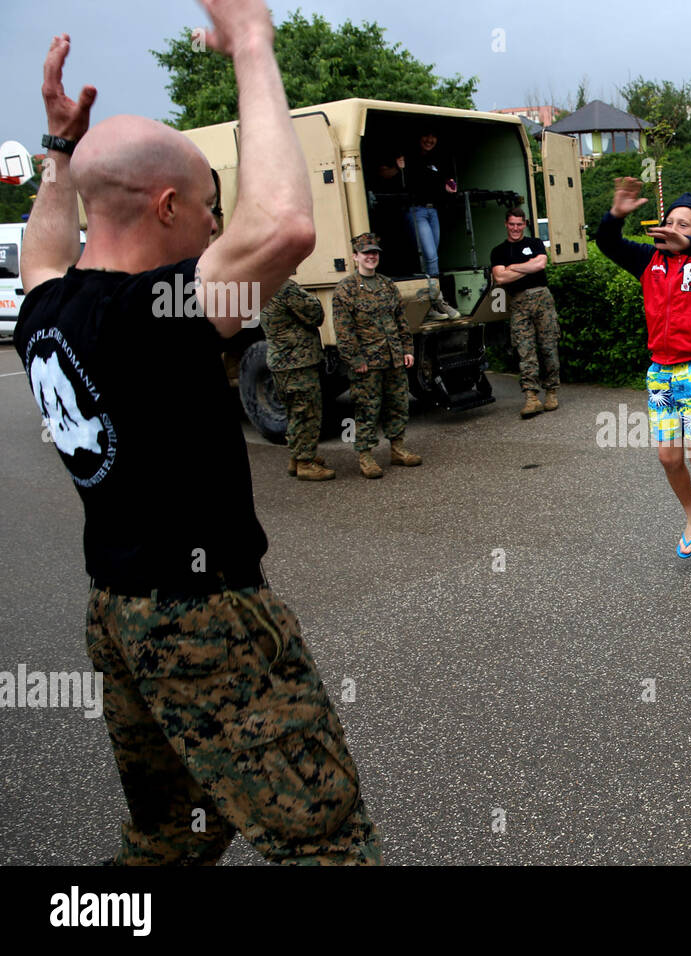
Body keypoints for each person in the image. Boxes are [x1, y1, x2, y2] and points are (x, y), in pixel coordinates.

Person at [15, 5, 380, 864]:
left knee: (169, 838)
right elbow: (286, 227)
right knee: (326, 842)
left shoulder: (45, 311)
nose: (219, 227)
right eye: (210, 208)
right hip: (203, 620)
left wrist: (59, 155)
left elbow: (43, 245)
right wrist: (252, 40)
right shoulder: (155, 313)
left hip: (116, 612)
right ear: (169, 204)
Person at [596, 179, 691, 569]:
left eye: (684, 224)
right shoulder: (648, 260)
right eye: (669, 222)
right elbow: (607, 243)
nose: (672, 228)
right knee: (668, 457)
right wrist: (616, 215)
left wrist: (690, 245)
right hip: (661, 373)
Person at [332, 232, 422, 478]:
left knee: (398, 404)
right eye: (366, 253)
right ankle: (365, 456)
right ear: (355, 257)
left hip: (393, 358)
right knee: (367, 409)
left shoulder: (387, 284)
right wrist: (355, 360)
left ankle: (397, 448)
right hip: (367, 363)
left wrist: (407, 350)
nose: (371, 257)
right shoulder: (346, 289)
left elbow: (401, 321)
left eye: (375, 253)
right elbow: (343, 330)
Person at [490, 208, 561, 417]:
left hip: (542, 299)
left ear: (525, 224)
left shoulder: (535, 243)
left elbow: (541, 264)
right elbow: (500, 279)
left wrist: (512, 267)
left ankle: (551, 392)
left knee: (549, 346)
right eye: (511, 224)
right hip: (518, 302)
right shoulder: (498, 251)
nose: (515, 228)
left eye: (519, 224)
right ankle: (531, 397)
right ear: (506, 224)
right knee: (525, 349)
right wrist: (526, 267)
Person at [262, 277, 334, 480]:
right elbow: (316, 314)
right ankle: (305, 463)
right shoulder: (285, 287)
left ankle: (296, 456)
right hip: (298, 362)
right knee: (307, 412)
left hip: (280, 363)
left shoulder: (263, 284)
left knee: (294, 412)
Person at [394, 128, 460, 319]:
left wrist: (450, 185)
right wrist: (398, 168)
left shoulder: (438, 160)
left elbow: (447, 181)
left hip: (433, 210)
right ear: (418, 137)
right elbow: (385, 174)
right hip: (416, 210)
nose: (429, 140)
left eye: (433, 136)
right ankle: (438, 303)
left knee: (431, 258)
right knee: (430, 257)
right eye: (426, 135)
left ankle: (429, 305)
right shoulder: (409, 157)